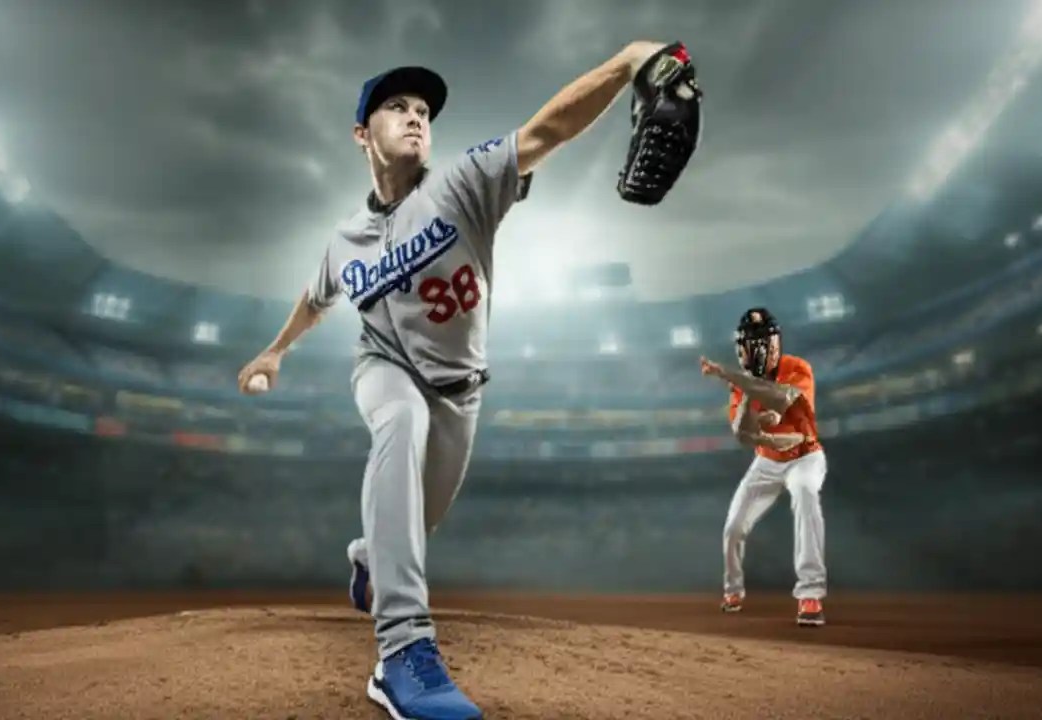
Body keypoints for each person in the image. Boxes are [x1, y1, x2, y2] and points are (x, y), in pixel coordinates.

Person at [238, 40, 680, 720]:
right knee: (399, 421)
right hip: (383, 367)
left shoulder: (463, 183)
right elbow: (315, 298)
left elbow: (548, 129)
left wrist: (627, 65)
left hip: (461, 392)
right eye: (396, 107)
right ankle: (401, 654)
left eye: (423, 109)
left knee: (418, 519)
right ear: (362, 134)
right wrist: (275, 352)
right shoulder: (343, 240)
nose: (416, 117)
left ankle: (367, 558)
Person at [699, 307, 829, 627]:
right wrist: (744, 395)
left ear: (774, 344)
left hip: (804, 456)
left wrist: (733, 376)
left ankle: (810, 593)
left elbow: (781, 399)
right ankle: (733, 591)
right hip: (767, 461)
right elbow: (743, 435)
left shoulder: (797, 368)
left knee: (805, 493)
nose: (755, 350)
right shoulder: (740, 385)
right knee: (733, 528)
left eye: (761, 342)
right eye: (749, 344)